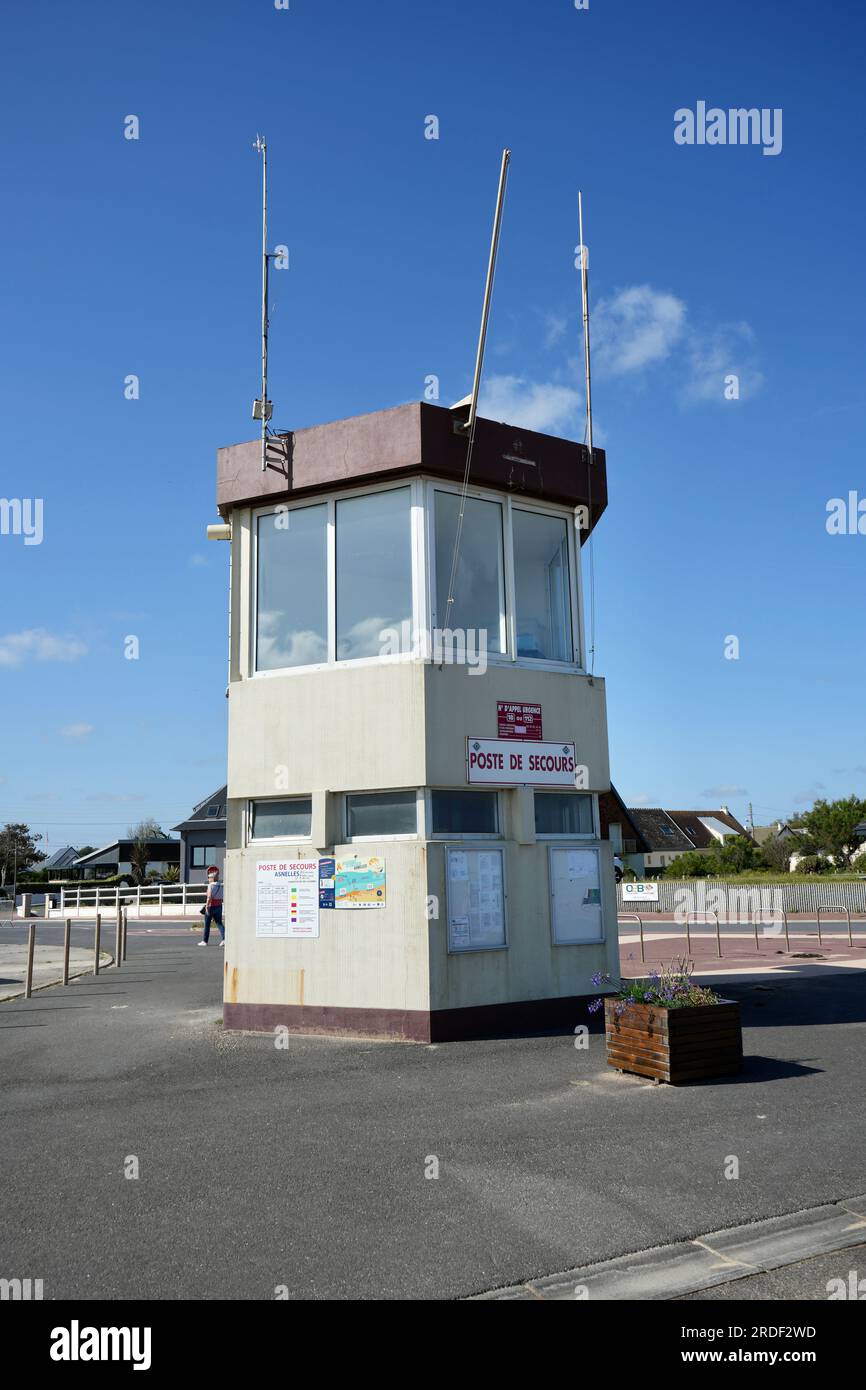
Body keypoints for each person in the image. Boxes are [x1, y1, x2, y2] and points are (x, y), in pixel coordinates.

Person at [199, 865, 225, 946]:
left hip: (211, 906)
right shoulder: (220, 885)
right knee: (219, 923)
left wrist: (207, 906)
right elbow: (222, 897)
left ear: (212, 878)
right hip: (219, 906)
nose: (208, 879)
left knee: (207, 924)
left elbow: (209, 896)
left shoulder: (210, 885)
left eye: (209, 877)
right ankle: (224, 939)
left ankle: (205, 941)